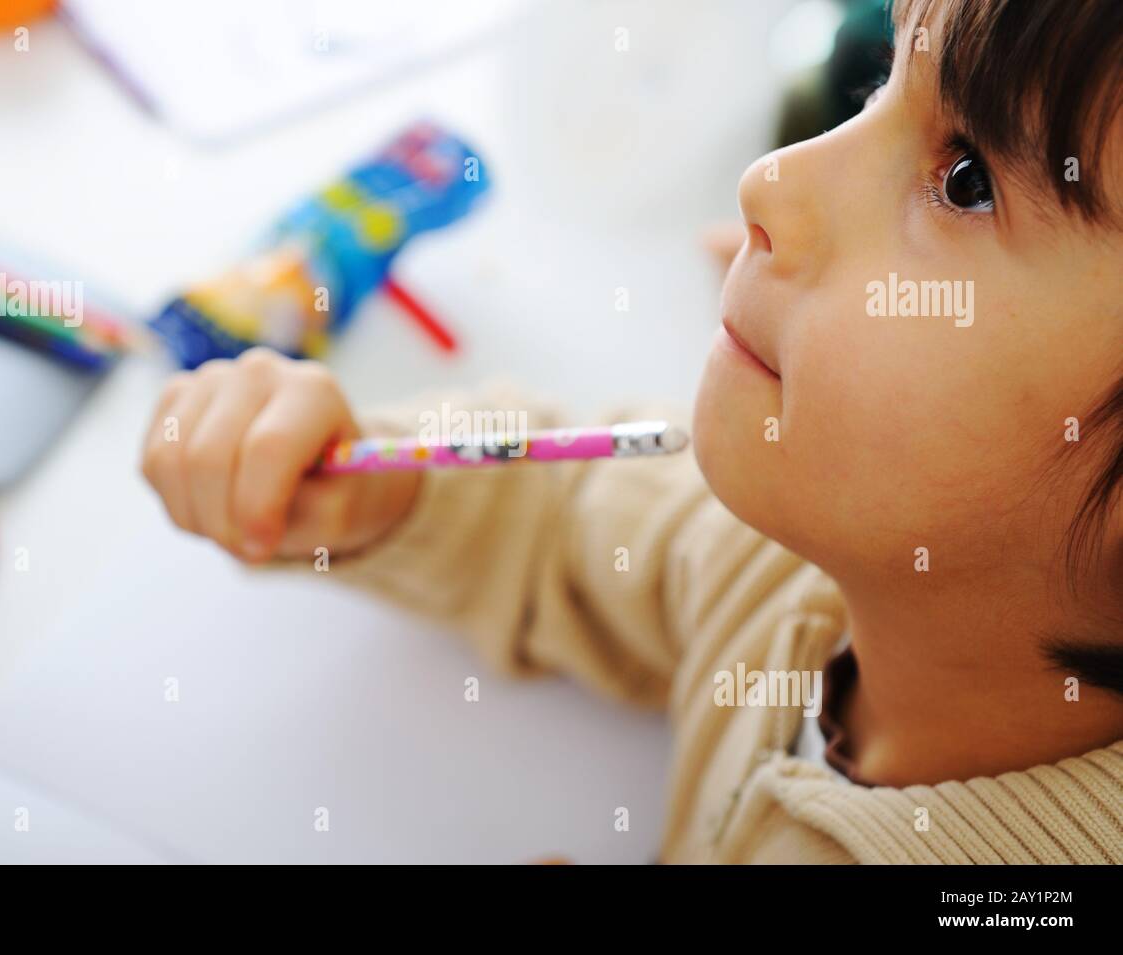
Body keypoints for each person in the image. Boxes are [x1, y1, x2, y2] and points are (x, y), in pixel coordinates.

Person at [139, 0, 1123, 862]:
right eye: (879, 82)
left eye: (964, 182)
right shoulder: (803, 580)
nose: (767, 183)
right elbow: (576, 519)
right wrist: (378, 492)